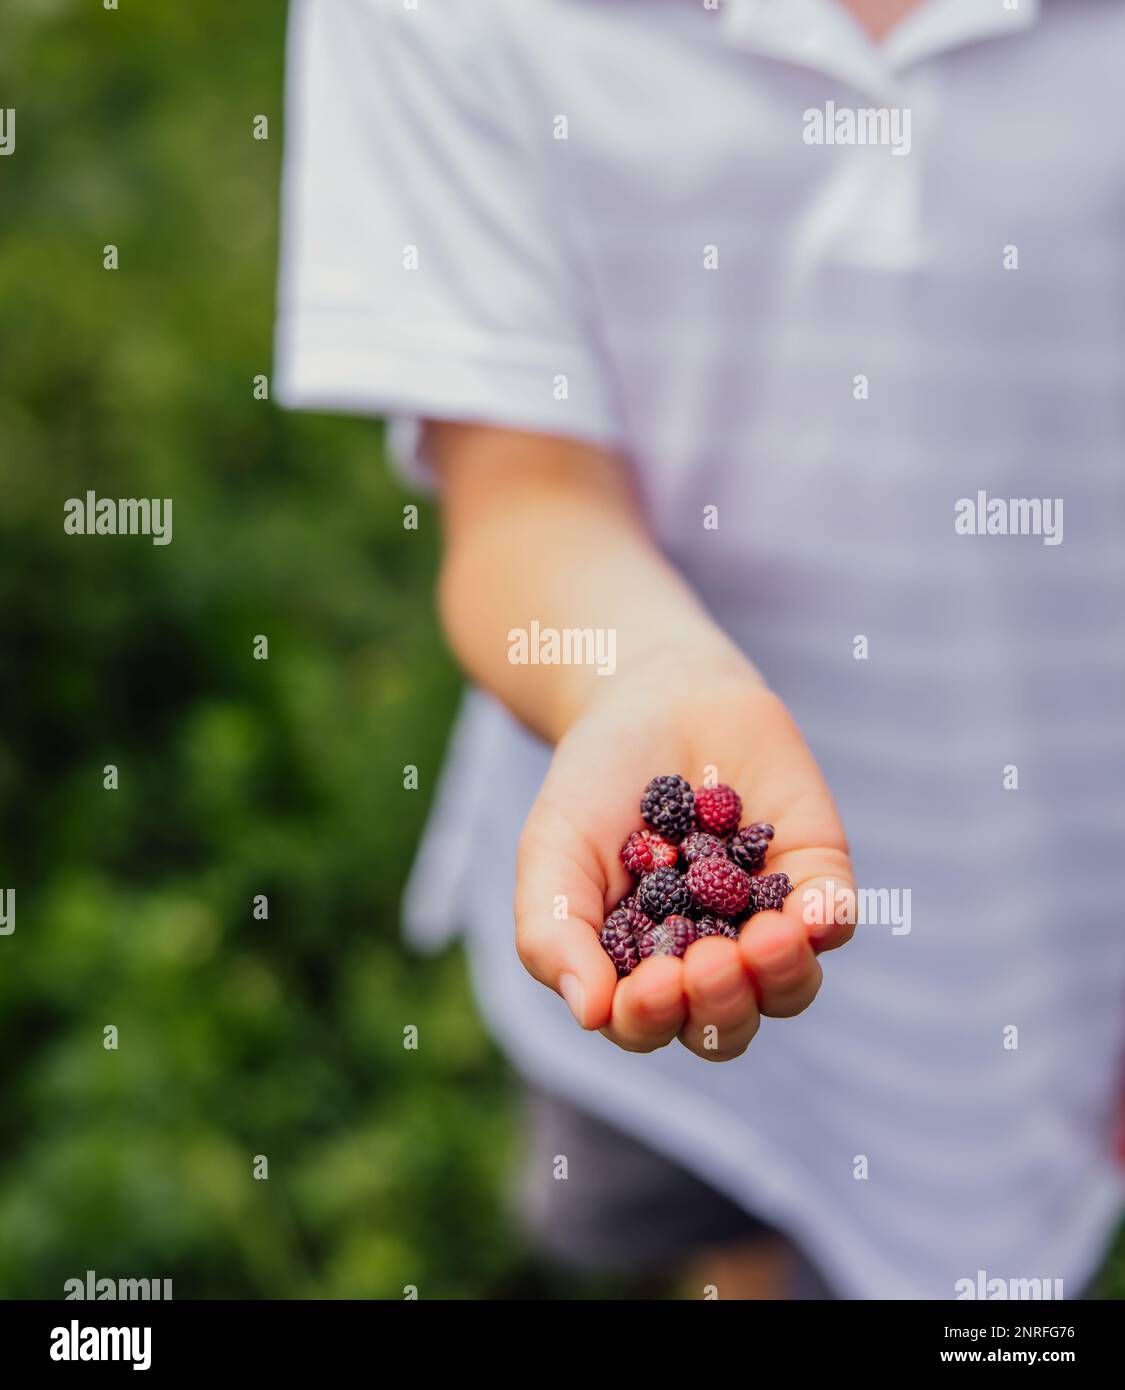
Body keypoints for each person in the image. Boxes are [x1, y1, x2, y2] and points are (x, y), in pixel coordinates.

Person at [275, 0, 1125, 1298]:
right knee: (717, 1214)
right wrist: (638, 678)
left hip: (1058, 910)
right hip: (643, 942)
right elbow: (522, 494)